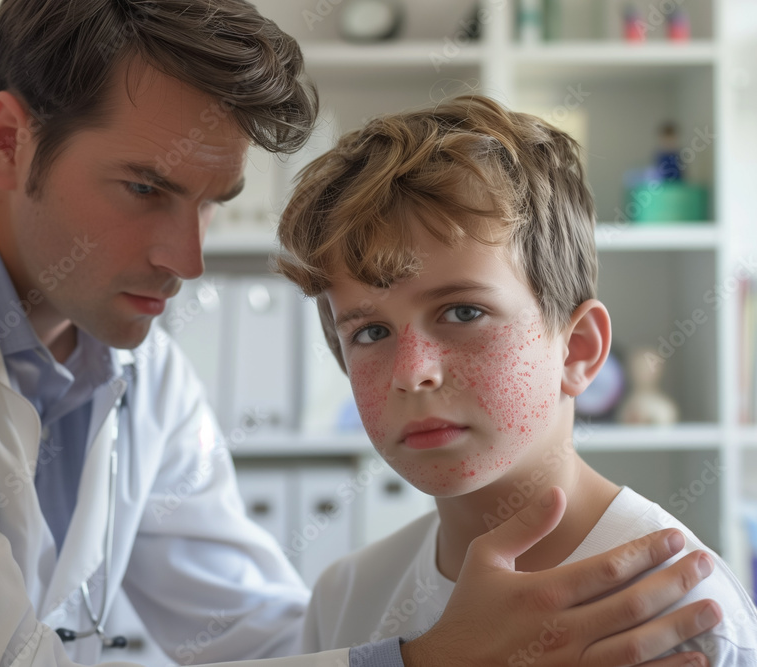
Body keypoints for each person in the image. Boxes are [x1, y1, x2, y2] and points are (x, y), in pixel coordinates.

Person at [0, 2, 723, 666]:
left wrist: (409, 642)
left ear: (579, 345)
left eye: (214, 203)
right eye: (147, 190)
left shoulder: (144, 373)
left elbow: (266, 643)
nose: (188, 260)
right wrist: (422, 659)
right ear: (8, 142)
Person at [272, 95, 757, 666]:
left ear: (577, 350)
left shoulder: (676, 612)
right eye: (372, 333)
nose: (412, 372)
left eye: (462, 313)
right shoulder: (344, 597)